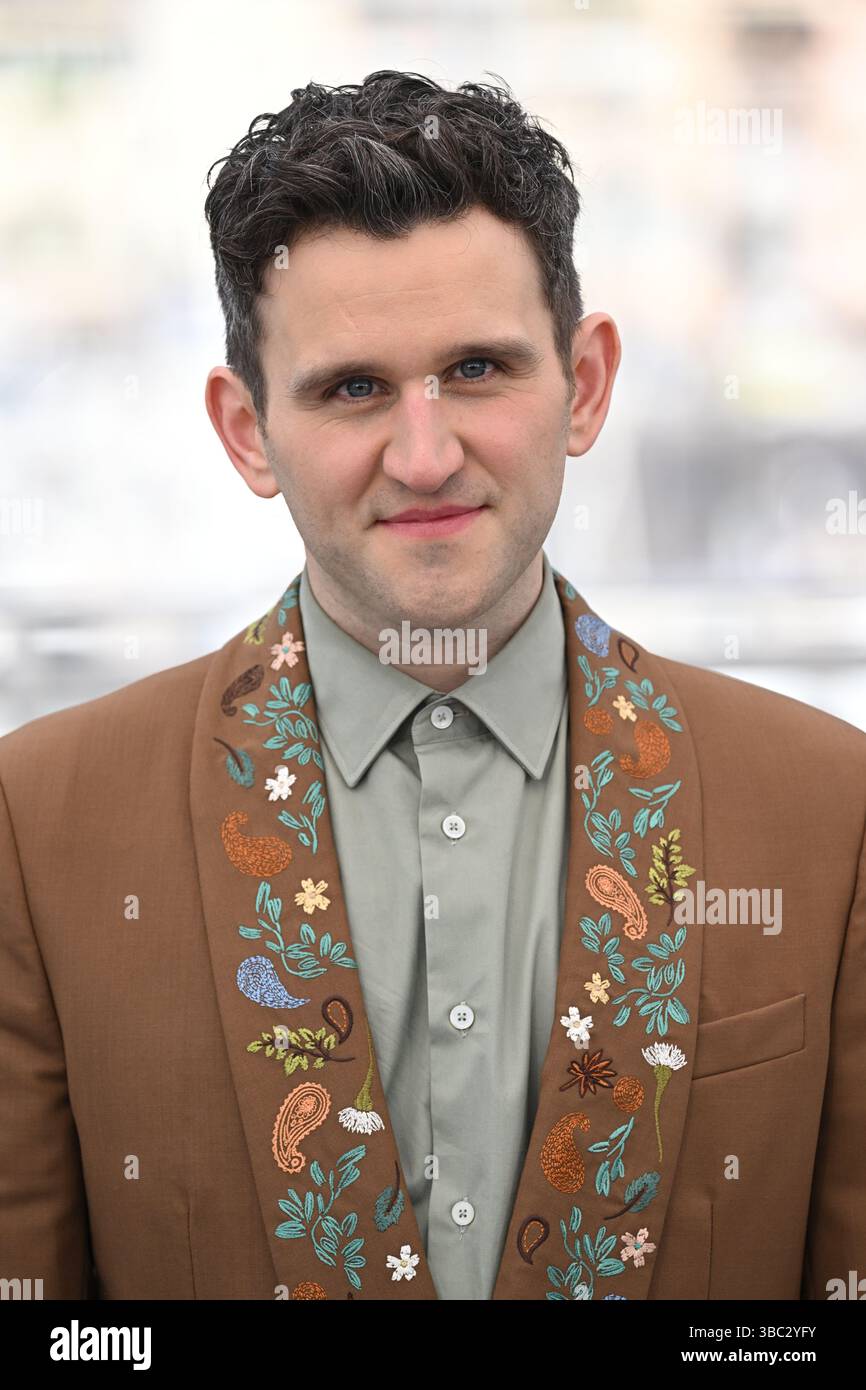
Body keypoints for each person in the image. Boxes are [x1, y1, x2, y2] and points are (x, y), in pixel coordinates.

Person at [1, 70, 864, 1304]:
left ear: (588, 381)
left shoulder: (829, 812)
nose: (423, 454)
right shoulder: (40, 824)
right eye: (353, 387)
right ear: (246, 431)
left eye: (474, 369)